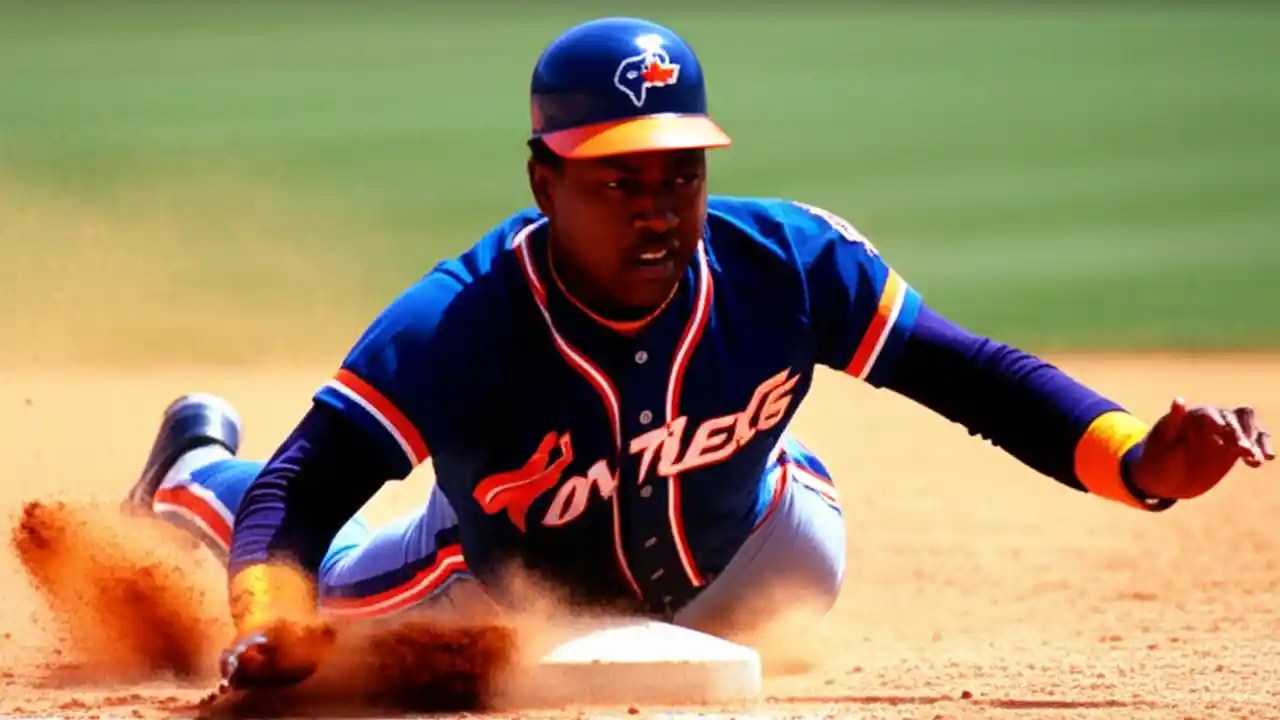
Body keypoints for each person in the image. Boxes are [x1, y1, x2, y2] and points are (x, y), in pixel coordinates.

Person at [123, 16, 1272, 692]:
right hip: (497, 578)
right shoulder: (458, 319)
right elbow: (306, 486)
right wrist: (265, 618)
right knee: (367, 613)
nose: (655, 208)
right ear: (543, 181)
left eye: (678, 172)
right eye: (615, 179)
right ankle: (185, 473)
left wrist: (1134, 461)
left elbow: (968, 373)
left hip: (758, 549)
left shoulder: (786, 260)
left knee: (786, 557)